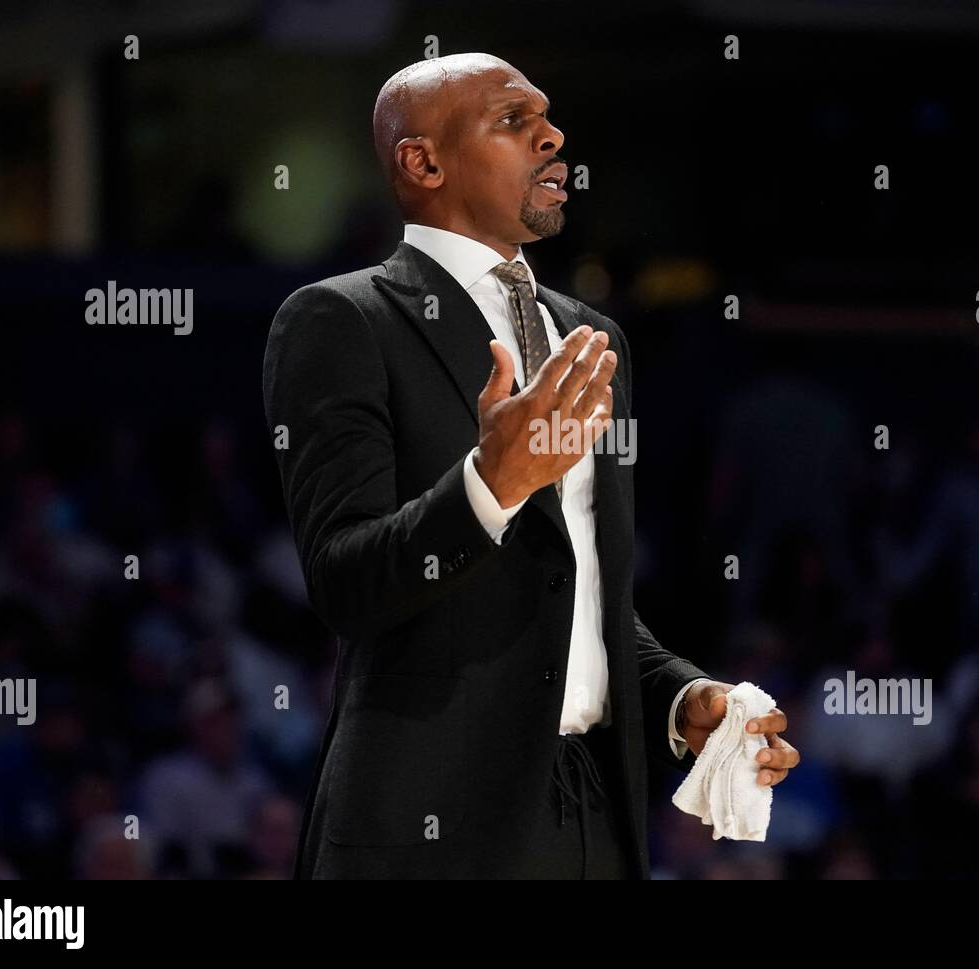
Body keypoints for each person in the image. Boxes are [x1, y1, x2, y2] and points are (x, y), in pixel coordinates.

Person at [262, 52, 799, 879]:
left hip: (596, 815)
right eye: (514, 120)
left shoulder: (595, 337)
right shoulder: (343, 319)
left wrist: (682, 701)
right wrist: (492, 484)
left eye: (546, 116)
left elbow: (582, 595)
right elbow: (345, 584)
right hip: (426, 828)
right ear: (424, 161)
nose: (553, 136)